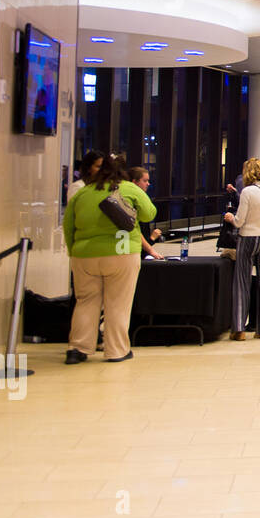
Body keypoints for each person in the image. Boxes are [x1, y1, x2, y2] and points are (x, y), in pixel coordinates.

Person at [62, 152, 156, 364]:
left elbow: (68, 225)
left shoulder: (82, 193)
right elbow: (149, 214)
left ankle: (77, 348)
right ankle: (116, 350)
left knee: (85, 301)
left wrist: (74, 251)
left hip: (84, 255)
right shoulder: (128, 188)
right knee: (117, 303)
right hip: (121, 252)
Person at [226, 158, 260, 341]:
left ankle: (238, 328)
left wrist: (230, 217)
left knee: (242, 282)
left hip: (248, 238)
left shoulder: (247, 191)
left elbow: (239, 221)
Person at [126, 166, 163, 259]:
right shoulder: (130, 203)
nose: (148, 184)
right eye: (145, 181)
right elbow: (135, 231)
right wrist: (152, 239)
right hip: (133, 251)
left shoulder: (142, 201)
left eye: (148, 181)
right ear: (134, 182)